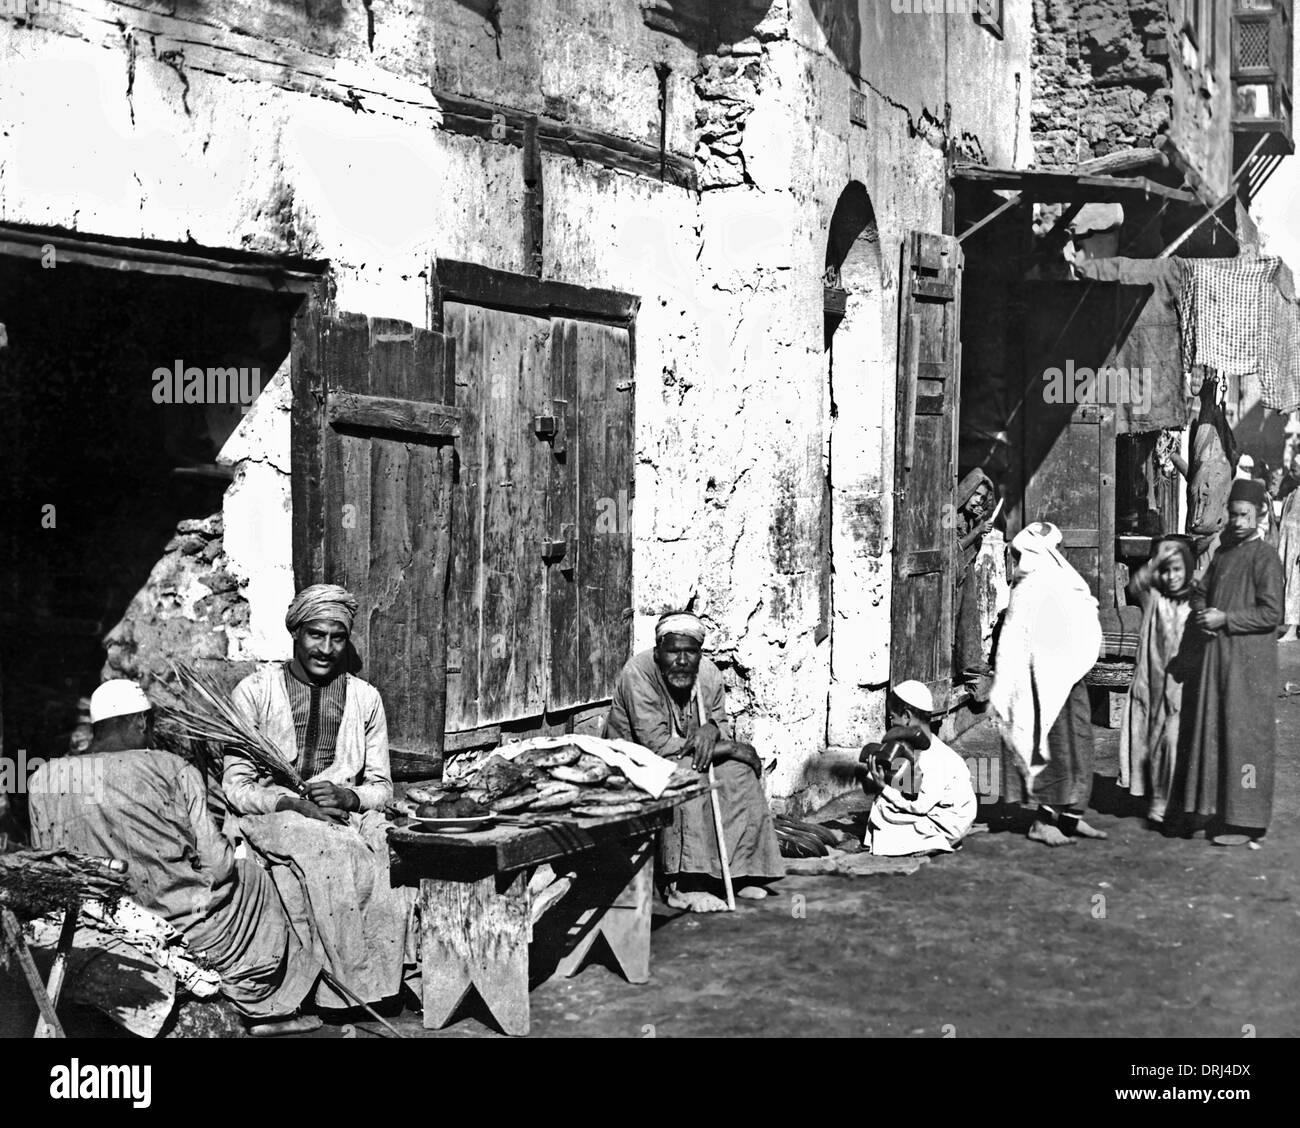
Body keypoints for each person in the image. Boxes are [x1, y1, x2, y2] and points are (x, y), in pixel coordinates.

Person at [28, 679, 320, 1034]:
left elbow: (46, 862)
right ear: (140, 722)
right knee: (253, 879)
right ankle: (261, 1006)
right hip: (177, 926)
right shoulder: (173, 768)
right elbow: (218, 866)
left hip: (90, 923)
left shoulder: (44, 777)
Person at [226, 583, 413, 1007]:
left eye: (338, 637)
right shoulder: (255, 692)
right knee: (329, 849)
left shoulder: (365, 699)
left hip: (344, 816)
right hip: (275, 812)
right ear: (295, 633)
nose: (326, 648)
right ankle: (346, 993)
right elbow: (237, 787)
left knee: (391, 849)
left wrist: (349, 798)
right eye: (316, 634)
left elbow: (382, 787)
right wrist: (293, 803)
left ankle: (387, 981)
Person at [604, 611, 784, 913]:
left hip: (688, 757)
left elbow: (720, 723)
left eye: (691, 651)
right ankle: (684, 884)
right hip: (634, 762)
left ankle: (740, 872)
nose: (682, 660)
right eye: (674, 651)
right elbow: (656, 745)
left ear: (700, 652)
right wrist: (731, 748)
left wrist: (712, 729)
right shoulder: (638, 673)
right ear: (659, 650)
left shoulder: (709, 674)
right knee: (691, 777)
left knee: (738, 773)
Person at [1178, 479, 1285, 847]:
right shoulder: (1223, 553)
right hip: (1217, 658)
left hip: (1250, 664)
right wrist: (1201, 611)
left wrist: (1226, 619)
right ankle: (1213, 811)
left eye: (1246, 515)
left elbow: (1272, 613)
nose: (1238, 521)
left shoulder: (1265, 557)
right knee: (1214, 732)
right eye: (1235, 514)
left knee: (1245, 740)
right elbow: (1200, 592)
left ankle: (1246, 822)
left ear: (1259, 516)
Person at [990, 522, 1107, 847]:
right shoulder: (1030, 587)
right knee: (1052, 748)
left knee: (1079, 742)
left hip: (1068, 680)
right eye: (1058, 548)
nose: (1064, 553)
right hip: (1041, 687)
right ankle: (1042, 821)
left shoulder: (1062, 580)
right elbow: (1021, 642)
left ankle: (1070, 817)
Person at [1119, 538, 1200, 827]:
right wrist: (1157, 561)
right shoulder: (1153, 595)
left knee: (1175, 738)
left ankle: (1171, 799)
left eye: (1178, 569)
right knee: (1151, 739)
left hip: (1181, 682)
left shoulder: (1197, 598)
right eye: (1166, 570)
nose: (1172, 576)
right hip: (1151, 679)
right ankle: (1156, 798)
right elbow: (1135, 584)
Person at [859, 680, 976, 857]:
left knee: (884, 808)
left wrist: (884, 788)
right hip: (942, 813)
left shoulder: (936, 757)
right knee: (883, 804)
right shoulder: (921, 747)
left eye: (892, 717)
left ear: (906, 717)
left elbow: (920, 806)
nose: (890, 723)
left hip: (950, 822)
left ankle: (936, 842)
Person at [1171, 376, 1235, 579]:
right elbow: (1194, 476)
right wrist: (1173, 457)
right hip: (1205, 527)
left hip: (1208, 529)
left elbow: (1194, 476)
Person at [953, 469, 998, 697]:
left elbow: (971, 548)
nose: (978, 500)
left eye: (982, 497)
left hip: (964, 574)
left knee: (967, 618)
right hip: (949, 578)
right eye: (975, 494)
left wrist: (979, 524)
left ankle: (967, 667)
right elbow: (953, 548)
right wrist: (978, 530)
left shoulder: (971, 518)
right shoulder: (947, 511)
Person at [1275, 467, 1300, 640]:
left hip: (1297, 548)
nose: (1292, 471)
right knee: (1288, 584)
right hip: (1288, 546)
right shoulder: (1293, 494)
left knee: (1295, 586)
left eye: (1296, 469)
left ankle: (1292, 629)